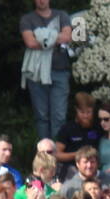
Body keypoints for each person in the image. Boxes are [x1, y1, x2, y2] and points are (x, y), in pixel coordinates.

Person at [19, 0, 73, 141]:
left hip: (60, 71)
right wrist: (55, 36)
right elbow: (30, 42)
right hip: (36, 72)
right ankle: (44, 154)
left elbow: (67, 37)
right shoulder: (27, 19)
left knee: (59, 116)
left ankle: (58, 153)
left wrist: (42, 37)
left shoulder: (62, 15)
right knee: (41, 116)